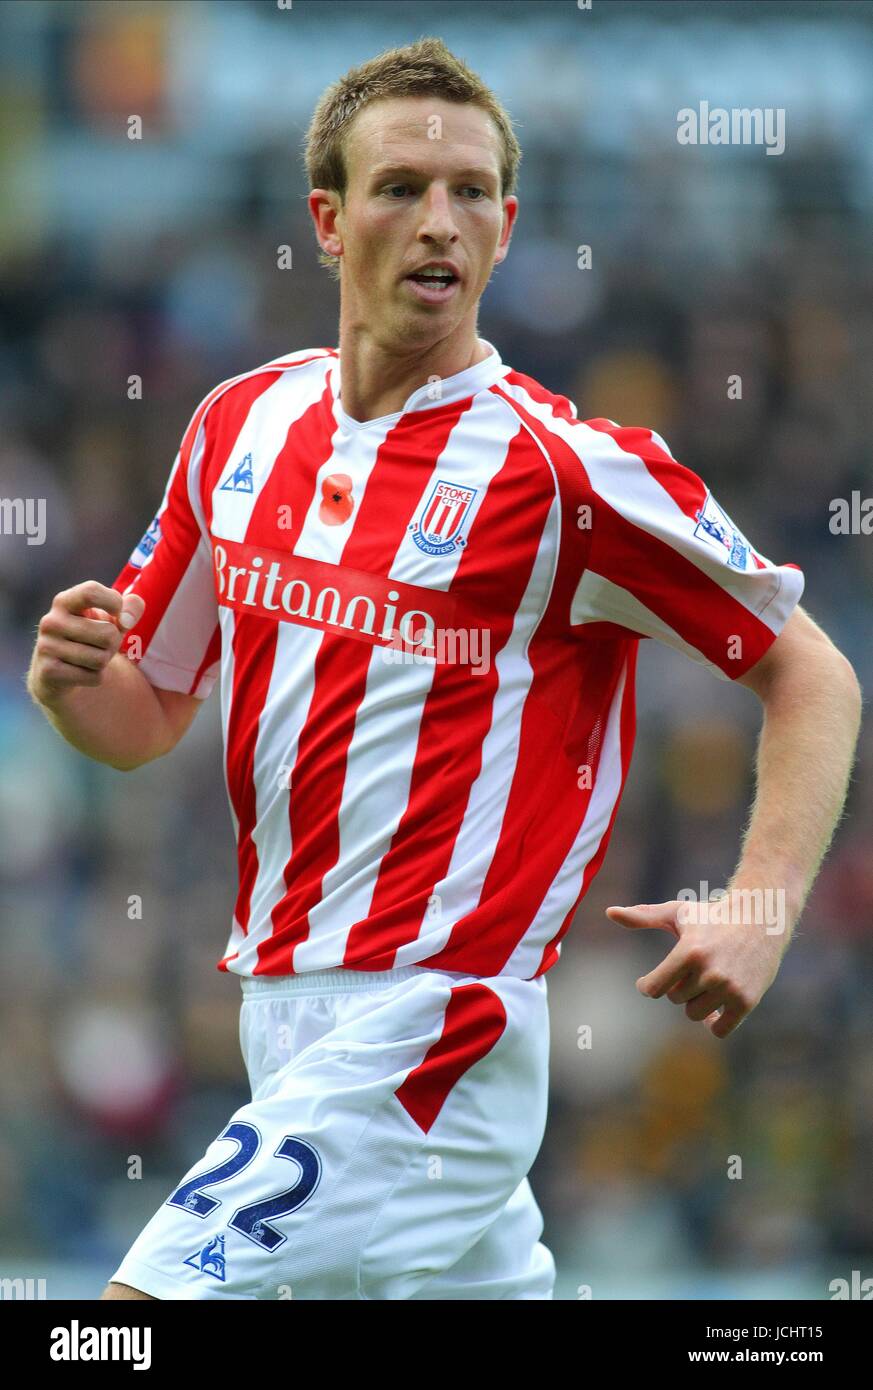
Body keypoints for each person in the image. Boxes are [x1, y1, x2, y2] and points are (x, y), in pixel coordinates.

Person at [26, 38, 861, 1301]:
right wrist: (69, 687)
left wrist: (761, 904)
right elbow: (142, 718)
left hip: (436, 1027)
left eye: (473, 192)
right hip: (280, 1013)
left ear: (509, 227)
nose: (441, 219)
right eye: (403, 185)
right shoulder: (237, 425)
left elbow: (813, 674)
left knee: (124, 1324)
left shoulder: (569, 472)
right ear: (326, 217)